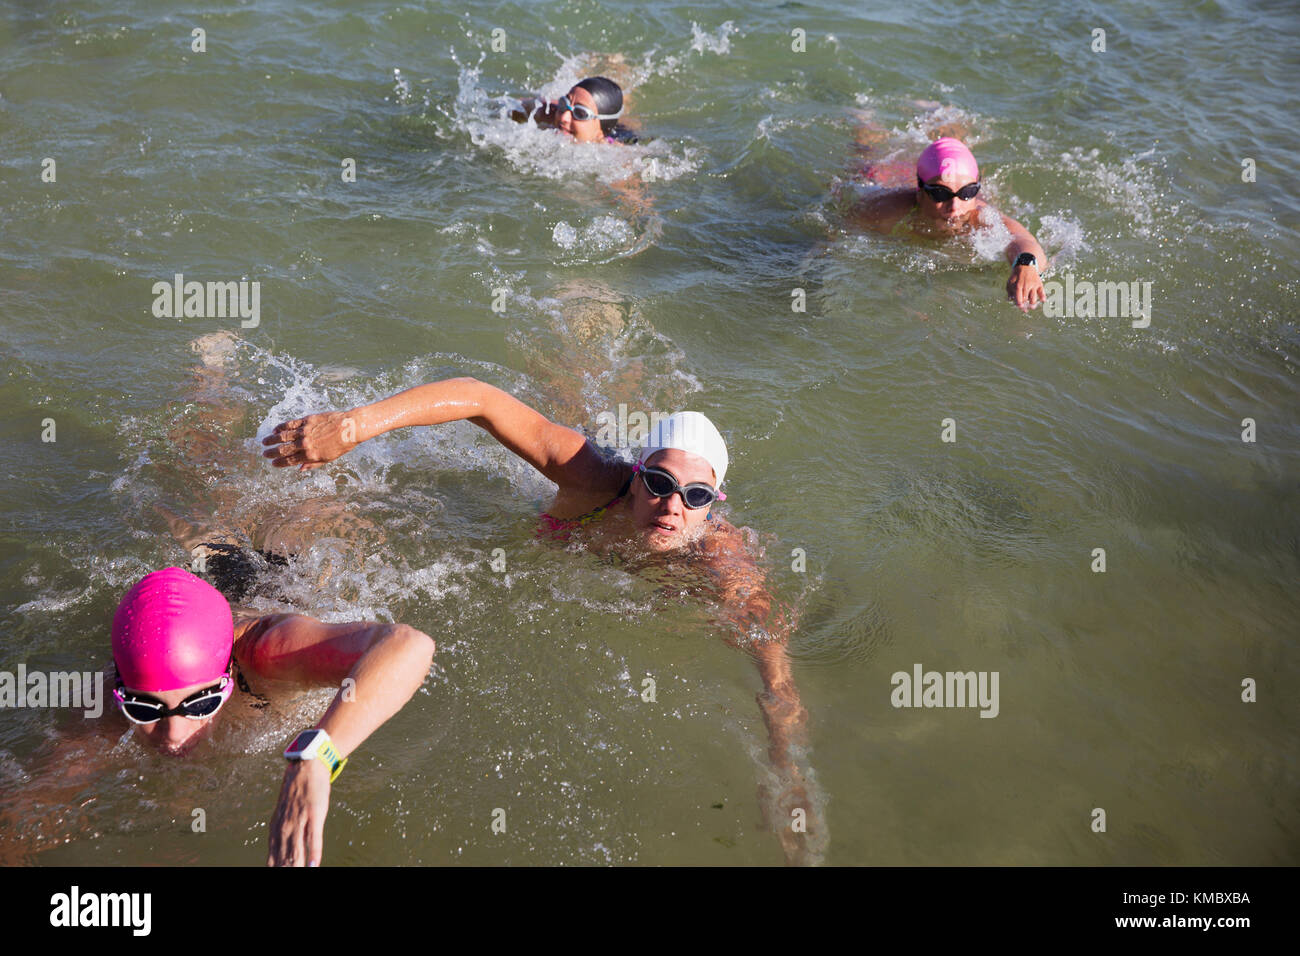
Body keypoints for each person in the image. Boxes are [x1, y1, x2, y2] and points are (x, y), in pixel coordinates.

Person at [262, 377, 826, 864]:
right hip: (553, 531)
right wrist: (354, 426)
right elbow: (479, 399)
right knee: (569, 395)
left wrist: (786, 763)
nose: (672, 505)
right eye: (659, 482)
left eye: (694, 494)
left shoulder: (721, 560)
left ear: (712, 504)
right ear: (635, 476)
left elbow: (774, 662)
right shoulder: (589, 478)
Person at [109, 566, 436, 866]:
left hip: (293, 573)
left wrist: (318, 755)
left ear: (230, 675)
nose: (174, 735)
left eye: (200, 704)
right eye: (144, 709)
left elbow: (410, 645)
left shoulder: (270, 655)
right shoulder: (99, 706)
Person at [851, 137, 1047, 311]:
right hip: (889, 176)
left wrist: (1026, 265)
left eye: (967, 192)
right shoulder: (884, 211)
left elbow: (1022, 239)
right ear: (919, 192)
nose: (954, 206)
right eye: (940, 193)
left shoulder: (981, 217)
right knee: (867, 152)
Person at [510, 76, 637, 144]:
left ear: (600, 133)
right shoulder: (545, 112)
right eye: (564, 103)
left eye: (580, 113)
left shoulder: (617, 157)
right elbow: (502, 108)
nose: (564, 117)